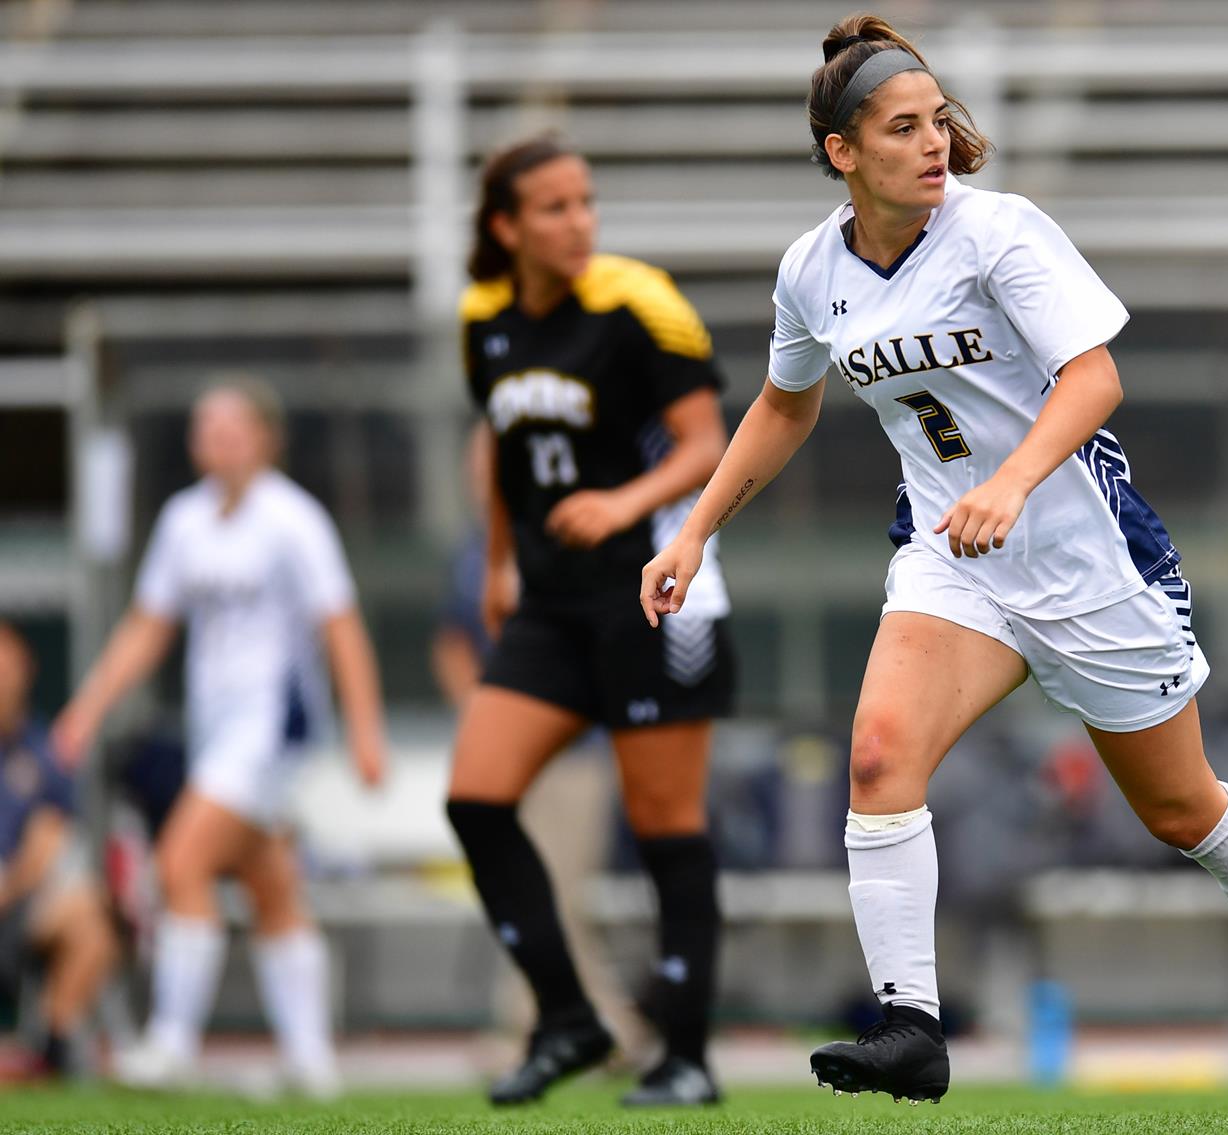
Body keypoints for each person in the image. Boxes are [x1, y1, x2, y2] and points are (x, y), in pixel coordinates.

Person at [639, 14, 1228, 1108]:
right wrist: (696, 529)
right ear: (842, 150)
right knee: (878, 756)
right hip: (952, 560)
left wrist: (1014, 481)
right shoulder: (811, 270)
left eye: (937, 120)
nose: (933, 142)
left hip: (1086, 562)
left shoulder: (999, 231)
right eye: (901, 128)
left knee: (1181, 811)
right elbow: (786, 407)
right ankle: (911, 1023)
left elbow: (1094, 378)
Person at [448, 132, 735, 1108]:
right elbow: (501, 448)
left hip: (653, 592)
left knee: (665, 828)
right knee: (476, 799)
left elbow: (708, 444)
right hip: (551, 603)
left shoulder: (638, 302)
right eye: (554, 207)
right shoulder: (484, 316)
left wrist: (622, 504)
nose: (579, 222)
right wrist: (497, 561)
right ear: (506, 227)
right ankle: (567, 1018)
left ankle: (686, 1056)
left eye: (586, 201)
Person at [52, 380, 386, 1097]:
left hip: (273, 727)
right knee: (268, 879)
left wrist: (366, 729)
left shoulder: (293, 520)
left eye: (233, 429)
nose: (219, 442)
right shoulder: (184, 520)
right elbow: (149, 624)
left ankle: (173, 1043)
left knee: (181, 861)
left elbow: (340, 625)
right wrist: (87, 709)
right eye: (207, 429)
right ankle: (311, 1061)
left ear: (266, 437)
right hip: (217, 727)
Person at [430, 425, 651, 1063]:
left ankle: (567, 1030)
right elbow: (452, 642)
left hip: (572, 754)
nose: (482, 474)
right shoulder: (474, 548)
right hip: (510, 757)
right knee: (527, 891)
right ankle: (595, 1030)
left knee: (558, 895)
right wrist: (485, 718)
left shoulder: (567, 533)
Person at [0, 622, 116, 1080]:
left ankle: (55, 1044)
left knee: (88, 918)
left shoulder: (45, 752)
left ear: (26, 672)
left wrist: (7, 887)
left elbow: (48, 839)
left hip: (17, 903)